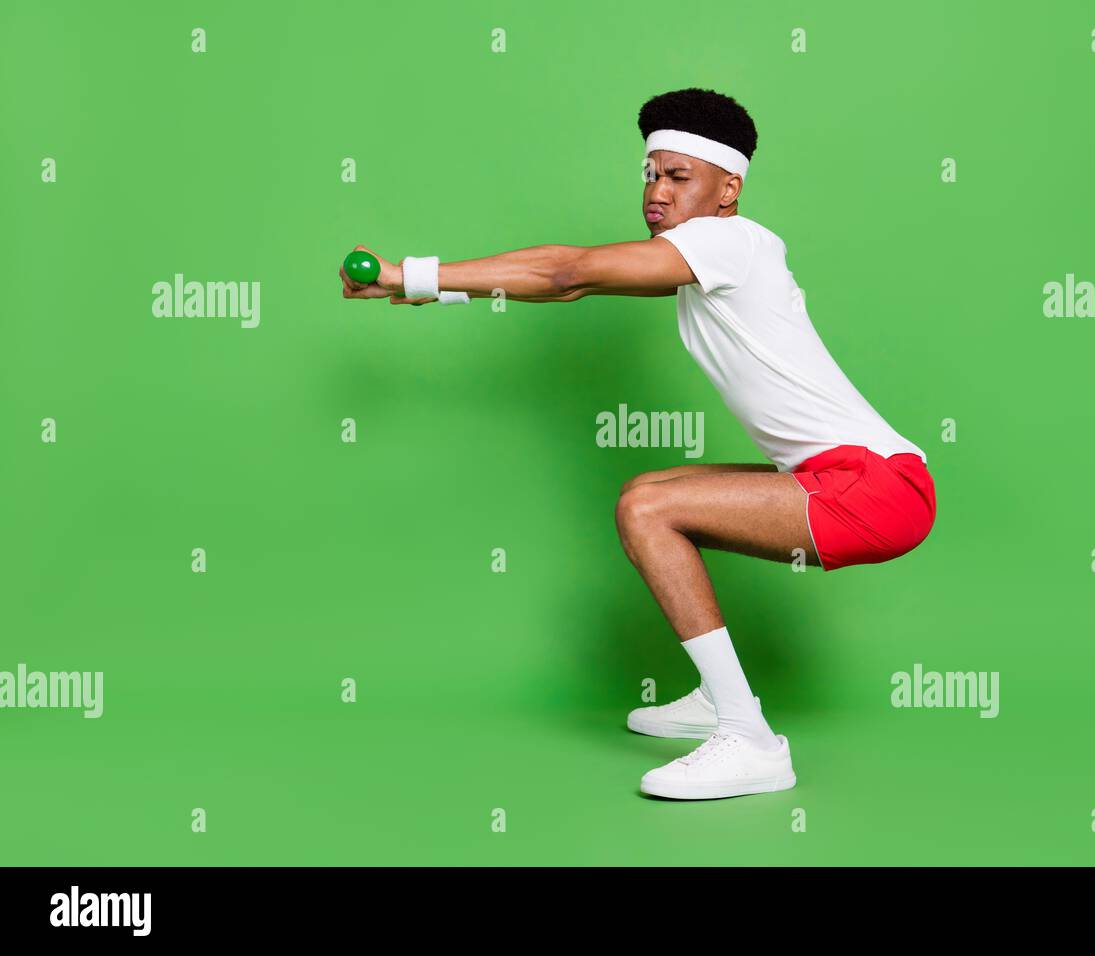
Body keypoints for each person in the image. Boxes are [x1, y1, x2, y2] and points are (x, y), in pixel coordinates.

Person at [340, 87, 937, 800]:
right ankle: (723, 700)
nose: (656, 192)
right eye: (651, 174)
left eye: (678, 177)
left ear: (727, 189)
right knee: (649, 493)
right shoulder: (706, 260)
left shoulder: (730, 242)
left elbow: (567, 272)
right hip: (855, 478)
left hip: (874, 490)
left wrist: (415, 274)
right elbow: (567, 290)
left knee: (647, 513)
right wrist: (434, 294)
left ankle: (749, 739)